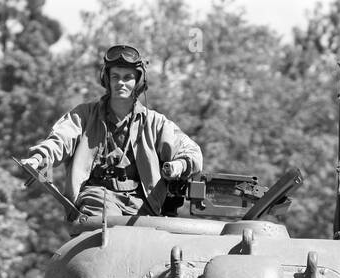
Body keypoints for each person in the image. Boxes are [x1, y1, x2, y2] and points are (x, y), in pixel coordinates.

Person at [17, 44, 203, 219]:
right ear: (107, 79)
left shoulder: (154, 122)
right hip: (98, 198)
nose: (121, 82)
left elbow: (192, 152)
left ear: (138, 82)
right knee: (105, 217)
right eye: (115, 76)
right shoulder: (85, 115)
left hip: (142, 205)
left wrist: (179, 166)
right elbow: (60, 140)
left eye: (128, 77)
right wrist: (39, 158)